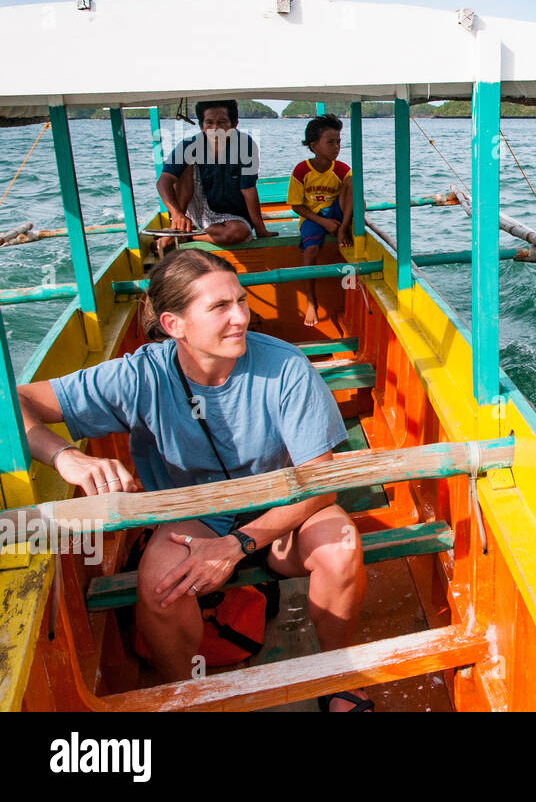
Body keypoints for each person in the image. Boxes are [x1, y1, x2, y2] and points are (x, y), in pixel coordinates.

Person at [16, 249, 373, 712]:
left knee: (342, 545)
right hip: (197, 517)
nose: (241, 317)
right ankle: (190, 696)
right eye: (219, 307)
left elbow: (320, 482)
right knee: (160, 585)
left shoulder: (285, 367)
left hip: (286, 507)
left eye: (241, 301)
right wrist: (66, 458)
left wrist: (237, 545)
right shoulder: (138, 376)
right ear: (173, 324)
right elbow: (14, 404)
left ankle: (335, 674)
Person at [154, 100, 277, 254]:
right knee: (185, 166)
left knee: (239, 233)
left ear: (234, 124)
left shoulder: (245, 145)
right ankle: (181, 227)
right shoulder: (189, 145)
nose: (215, 128)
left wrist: (260, 229)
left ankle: (187, 236)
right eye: (209, 122)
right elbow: (164, 181)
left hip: (233, 215)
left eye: (222, 122)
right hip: (197, 211)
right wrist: (177, 213)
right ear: (201, 126)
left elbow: (248, 188)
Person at [287, 114, 353, 327]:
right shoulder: (302, 170)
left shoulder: (342, 170)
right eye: (331, 142)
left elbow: (351, 196)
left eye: (339, 142)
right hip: (313, 217)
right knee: (311, 252)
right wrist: (323, 223)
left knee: (353, 183)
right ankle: (310, 301)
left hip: (337, 214)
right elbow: (296, 205)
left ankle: (343, 231)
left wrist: (341, 227)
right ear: (314, 146)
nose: (337, 147)